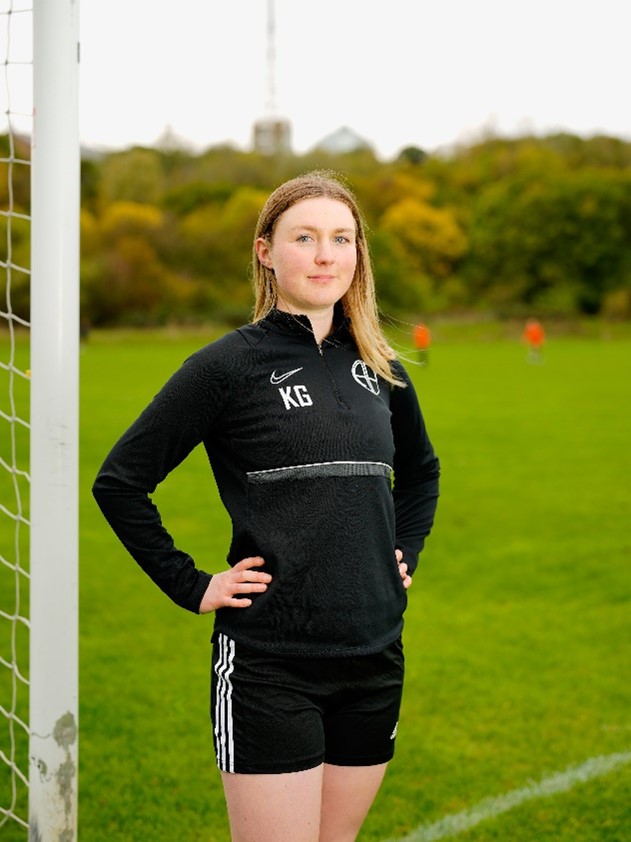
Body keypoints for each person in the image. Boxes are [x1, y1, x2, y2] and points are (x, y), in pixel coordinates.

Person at [93, 171, 440, 842]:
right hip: (269, 665)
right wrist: (192, 585)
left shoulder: (381, 366)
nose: (323, 255)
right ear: (265, 251)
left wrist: (407, 551)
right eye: (303, 237)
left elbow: (421, 473)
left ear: (357, 254)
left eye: (341, 239)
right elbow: (121, 481)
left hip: (374, 657)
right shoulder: (227, 366)